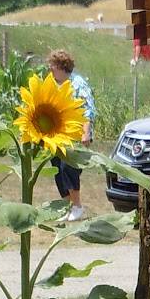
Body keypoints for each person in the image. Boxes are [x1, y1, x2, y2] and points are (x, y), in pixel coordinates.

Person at [46, 48, 95, 221]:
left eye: (52, 64)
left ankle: (77, 206)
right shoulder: (52, 83)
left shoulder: (78, 83)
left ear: (61, 65)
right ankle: (67, 207)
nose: (49, 67)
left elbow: (87, 109)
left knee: (69, 168)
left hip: (75, 133)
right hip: (56, 134)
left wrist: (85, 133)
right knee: (57, 169)